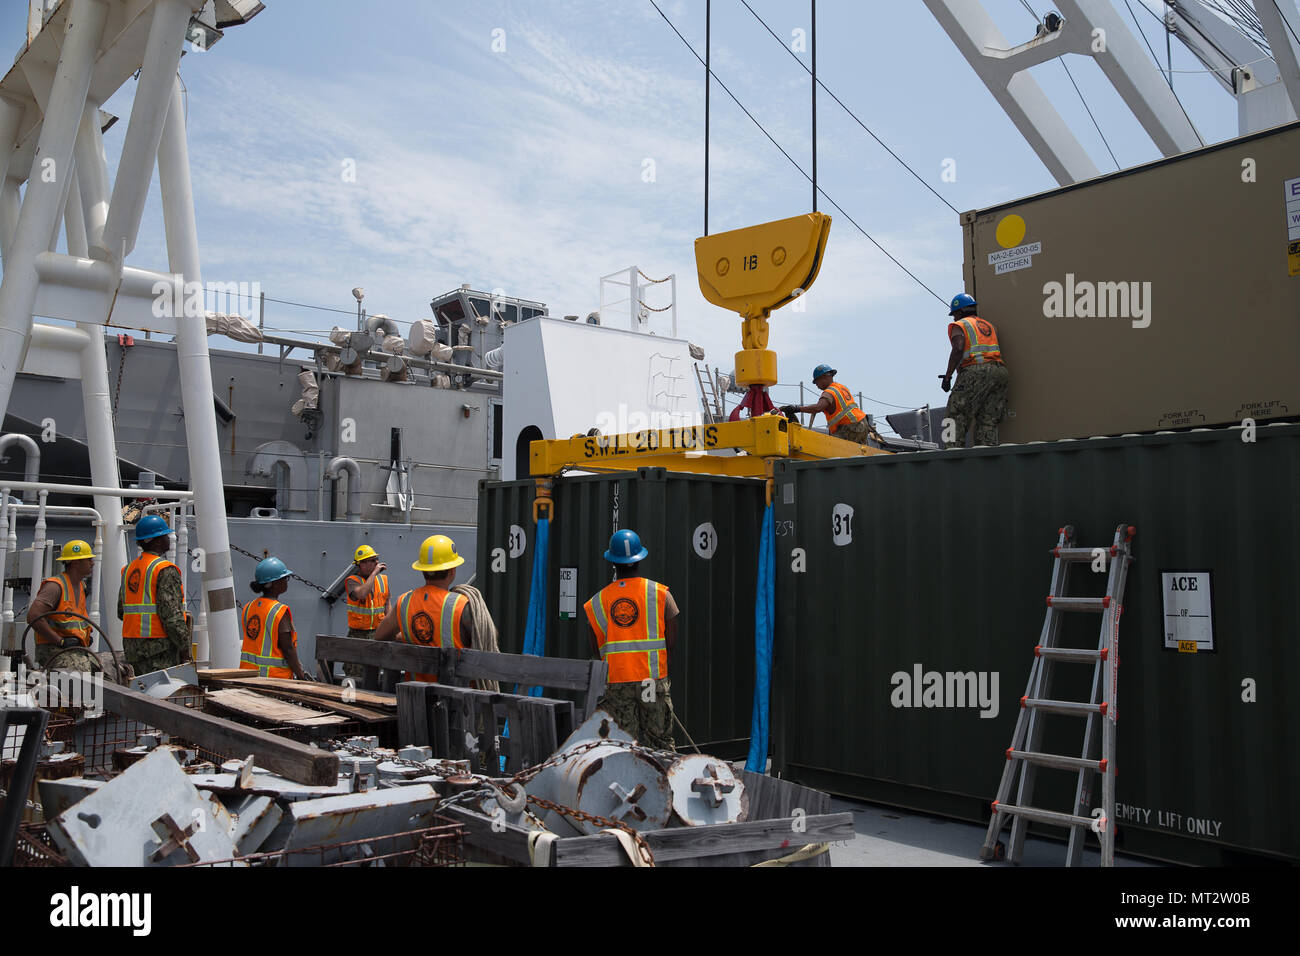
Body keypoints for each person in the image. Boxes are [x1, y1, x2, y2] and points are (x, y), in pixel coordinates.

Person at [583, 529, 678, 751]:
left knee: (622, 746)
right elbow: (671, 642)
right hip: (652, 681)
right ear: (640, 558)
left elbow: (596, 650)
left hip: (616, 684)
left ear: (612, 562)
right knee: (661, 744)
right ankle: (664, 783)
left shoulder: (597, 603)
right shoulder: (660, 594)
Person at [372, 535, 475, 682]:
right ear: (452, 571)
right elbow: (487, 639)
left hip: (414, 696)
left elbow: (380, 636)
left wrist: (408, 636)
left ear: (423, 570)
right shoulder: (462, 604)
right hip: (455, 696)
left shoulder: (404, 602)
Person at [118, 515, 191, 674]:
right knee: (160, 694)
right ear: (156, 541)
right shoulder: (164, 569)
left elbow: (121, 611)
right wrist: (185, 649)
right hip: (159, 651)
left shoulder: (128, 570)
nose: (169, 539)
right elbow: (172, 617)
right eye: (165, 535)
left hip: (132, 648)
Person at [940, 293, 1011, 447]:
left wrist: (948, 376)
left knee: (954, 415)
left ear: (959, 312)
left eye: (954, 314)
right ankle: (986, 454)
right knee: (988, 419)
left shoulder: (961, 325)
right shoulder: (988, 326)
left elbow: (958, 348)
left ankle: (950, 452)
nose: (953, 319)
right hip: (1000, 372)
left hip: (975, 371)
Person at [27, 540, 99, 672]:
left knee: (108, 671)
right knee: (82, 670)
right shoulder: (55, 586)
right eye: (88, 559)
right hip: (52, 648)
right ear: (75, 562)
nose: (92, 563)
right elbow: (34, 617)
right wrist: (60, 641)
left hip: (74, 649)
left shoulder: (81, 586)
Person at [239, 557, 311, 680]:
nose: (287, 582)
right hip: (273, 679)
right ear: (274, 584)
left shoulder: (248, 607)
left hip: (247, 676)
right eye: (285, 578)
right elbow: (288, 648)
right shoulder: (279, 611)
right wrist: (300, 675)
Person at [781, 365, 878, 444]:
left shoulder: (829, 392)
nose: (817, 386)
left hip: (849, 427)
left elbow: (818, 407)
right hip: (862, 424)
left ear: (823, 378)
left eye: (816, 382)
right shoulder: (841, 387)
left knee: (834, 449)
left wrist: (797, 408)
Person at [342, 544, 390, 681]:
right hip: (358, 636)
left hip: (378, 633)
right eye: (373, 560)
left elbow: (387, 605)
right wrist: (375, 573)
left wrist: (392, 629)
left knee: (376, 674)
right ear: (362, 564)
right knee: (356, 675)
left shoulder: (383, 580)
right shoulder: (352, 581)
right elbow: (362, 594)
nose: (377, 563)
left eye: (377, 559)